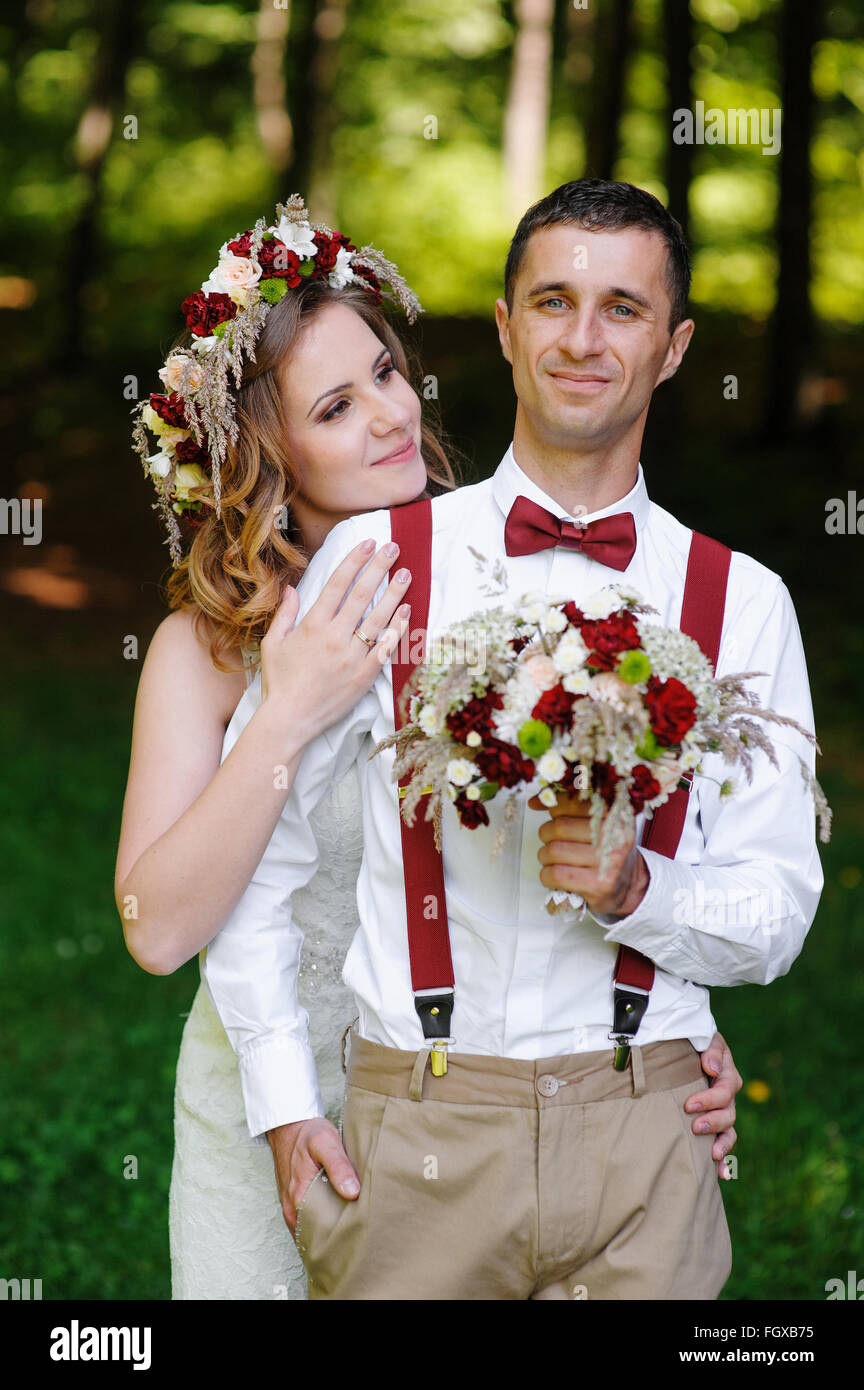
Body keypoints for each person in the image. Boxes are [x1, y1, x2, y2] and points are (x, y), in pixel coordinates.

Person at [116, 192, 744, 1302]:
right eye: (337, 406)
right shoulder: (202, 651)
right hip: (276, 1076)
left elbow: (580, 848)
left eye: (389, 376)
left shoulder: (482, 593)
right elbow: (160, 929)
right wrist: (291, 705)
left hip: (467, 1090)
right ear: (265, 453)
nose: (392, 417)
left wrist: (659, 1039)